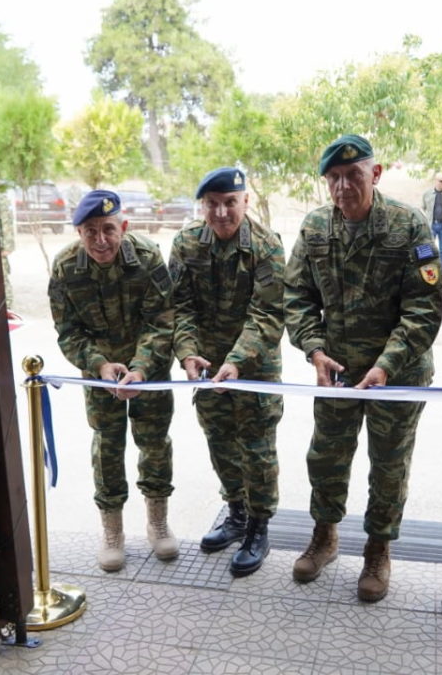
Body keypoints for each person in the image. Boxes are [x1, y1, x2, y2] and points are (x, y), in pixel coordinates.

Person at [284, 134, 442, 602]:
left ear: (375, 174)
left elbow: (424, 309)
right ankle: (325, 536)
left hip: (398, 373)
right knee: (326, 457)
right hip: (335, 371)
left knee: (389, 465)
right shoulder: (314, 229)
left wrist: (386, 365)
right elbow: (297, 299)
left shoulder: (407, 225)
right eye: (333, 177)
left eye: (353, 175)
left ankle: (378, 549)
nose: (343, 186)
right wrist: (314, 350)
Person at [48, 190, 178, 572]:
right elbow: (68, 331)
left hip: (148, 370)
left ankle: (157, 522)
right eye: (90, 231)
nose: (100, 240)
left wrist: (140, 368)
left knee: (154, 442)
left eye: (108, 229)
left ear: (124, 226)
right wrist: (99, 365)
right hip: (99, 373)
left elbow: (162, 320)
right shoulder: (65, 267)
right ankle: (113, 531)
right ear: (78, 232)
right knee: (107, 446)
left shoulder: (148, 257)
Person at [169, 166, 285, 576]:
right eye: (212, 204)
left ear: (245, 201)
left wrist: (235, 361)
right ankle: (235, 512)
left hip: (254, 367)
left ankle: (259, 526)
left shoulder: (267, 247)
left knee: (256, 449)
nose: (221, 213)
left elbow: (268, 315)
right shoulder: (185, 245)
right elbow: (179, 307)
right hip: (206, 368)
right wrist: (187, 353)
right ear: (202, 205)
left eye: (229, 203)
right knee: (219, 441)